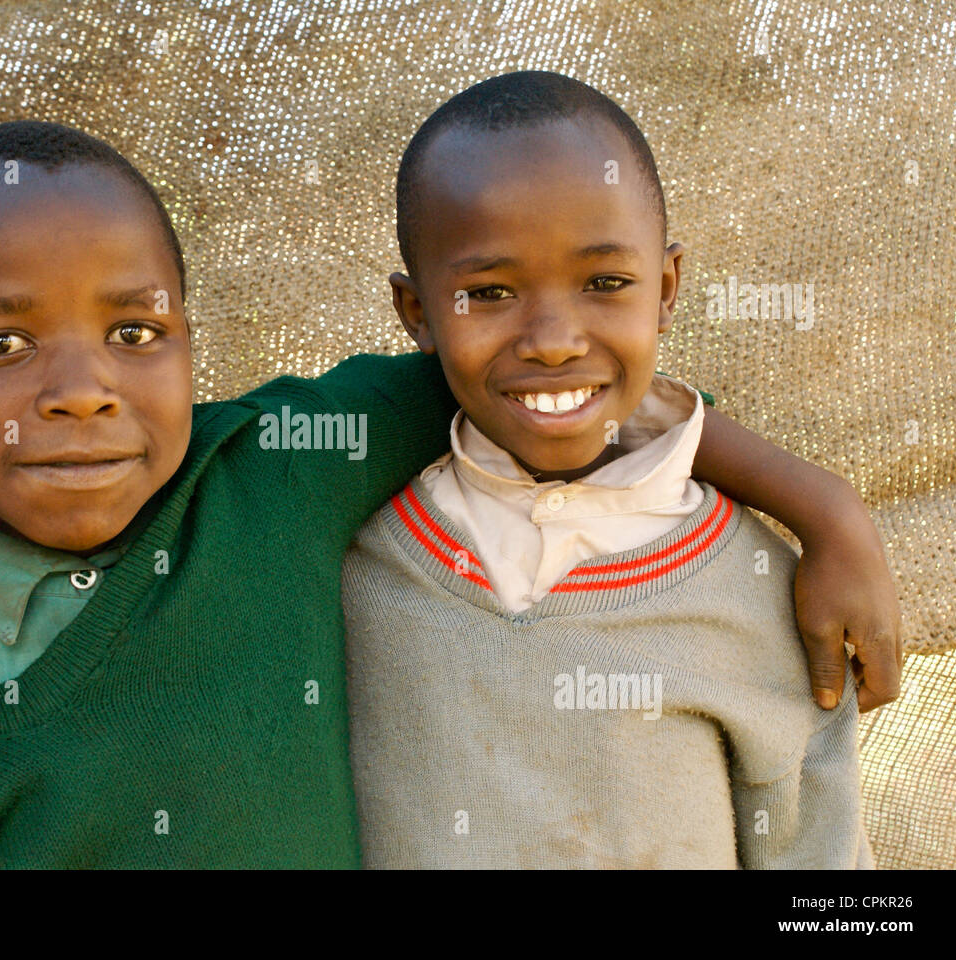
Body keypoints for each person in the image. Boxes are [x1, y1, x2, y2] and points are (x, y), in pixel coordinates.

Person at [0, 118, 897, 868]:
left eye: (135, 331)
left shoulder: (280, 471)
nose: (81, 392)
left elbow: (555, 384)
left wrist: (825, 510)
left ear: (193, 347)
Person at [343, 71, 874, 868]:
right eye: (489, 292)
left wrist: (831, 512)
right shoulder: (355, 570)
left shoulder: (763, 592)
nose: (554, 339)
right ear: (417, 313)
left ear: (664, 290)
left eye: (605, 284)